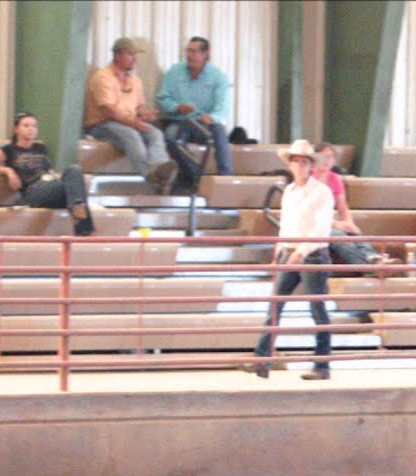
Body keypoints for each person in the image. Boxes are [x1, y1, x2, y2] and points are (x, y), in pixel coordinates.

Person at [242, 140, 336, 381]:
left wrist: (301, 250)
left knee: (317, 309)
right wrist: (280, 249)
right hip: (291, 251)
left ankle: (322, 365)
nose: (299, 166)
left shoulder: (321, 193)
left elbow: (321, 227)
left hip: (312, 254)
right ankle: (263, 359)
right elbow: (286, 224)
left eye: (303, 162)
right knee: (276, 305)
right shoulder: (290, 192)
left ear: (310, 165)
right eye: (295, 161)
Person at [83, 37, 178, 193]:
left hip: (128, 122)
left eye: (135, 55)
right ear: (118, 55)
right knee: (131, 135)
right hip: (102, 124)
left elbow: (140, 107)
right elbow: (109, 111)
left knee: (155, 133)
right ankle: (151, 177)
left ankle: (160, 168)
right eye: (131, 54)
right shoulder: (102, 77)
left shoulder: (135, 80)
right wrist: (135, 123)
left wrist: (147, 115)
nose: (135, 59)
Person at [0, 112, 95, 236]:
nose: (31, 129)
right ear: (16, 129)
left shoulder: (40, 148)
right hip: (33, 190)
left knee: (74, 169)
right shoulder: (9, 150)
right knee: (74, 189)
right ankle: (84, 228)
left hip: (50, 185)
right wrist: (8, 171)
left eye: (34, 126)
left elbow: (48, 170)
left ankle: (78, 208)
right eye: (26, 126)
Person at [310, 142, 402, 274]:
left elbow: (342, 206)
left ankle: (376, 260)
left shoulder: (335, 178)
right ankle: (370, 269)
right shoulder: (310, 179)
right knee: (338, 237)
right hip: (314, 225)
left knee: (354, 234)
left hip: (330, 223)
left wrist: (349, 224)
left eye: (330, 157)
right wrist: (337, 224)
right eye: (323, 157)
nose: (327, 161)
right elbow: (312, 213)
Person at [156, 36, 235, 189]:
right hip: (180, 120)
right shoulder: (175, 71)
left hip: (202, 123)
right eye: (188, 51)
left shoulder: (218, 77)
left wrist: (212, 118)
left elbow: (222, 108)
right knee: (172, 137)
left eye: (194, 51)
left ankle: (225, 178)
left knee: (219, 131)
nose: (189, 55)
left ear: (206, 54)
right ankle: (197, 177)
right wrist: (176, 107)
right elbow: (162, 97)